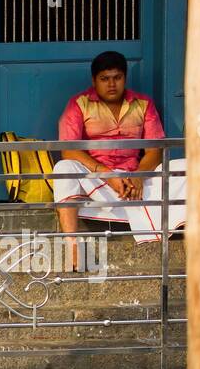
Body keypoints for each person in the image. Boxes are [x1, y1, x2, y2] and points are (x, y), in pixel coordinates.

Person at [53, 50, 186, 245]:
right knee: (63, 169)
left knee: (187, 167)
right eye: (104, 78)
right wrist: (108, 175)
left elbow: (155, 150)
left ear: (125, 77)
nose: (111, 84)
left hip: (137, 183)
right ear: (94, 80)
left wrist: (138, 176)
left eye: (117, 77)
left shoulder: (143, 104)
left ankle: (194, 240)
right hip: (98, 180)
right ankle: (71, 243)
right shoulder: (79, 104)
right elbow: (69, 150)